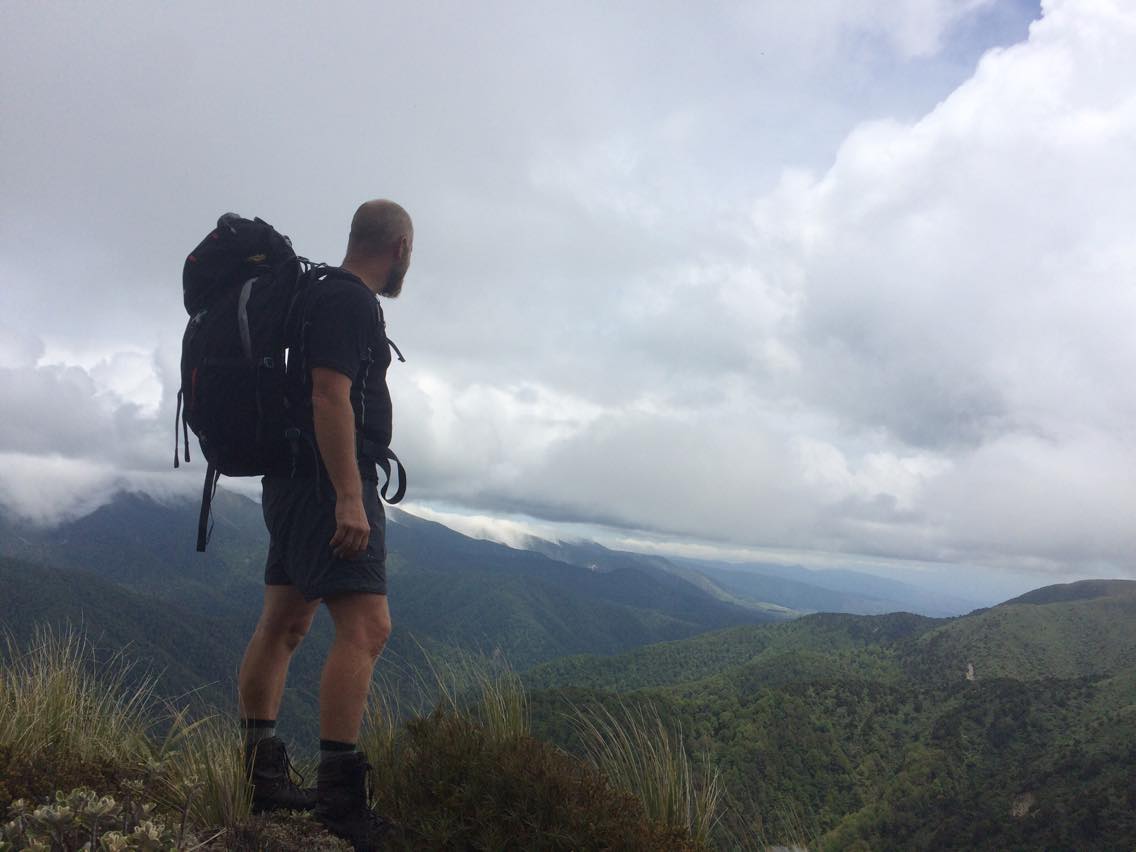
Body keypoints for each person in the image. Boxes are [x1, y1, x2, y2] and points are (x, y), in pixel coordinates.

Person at [236, 199, 412, 850]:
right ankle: (340, 802)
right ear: (399, 249)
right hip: (325, 482)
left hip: (288, 480)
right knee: (367, 628)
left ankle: (260, 777)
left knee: (284, 622)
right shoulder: (348, 300)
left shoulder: (313, 294)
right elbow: (329, 393)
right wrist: (347, 495)